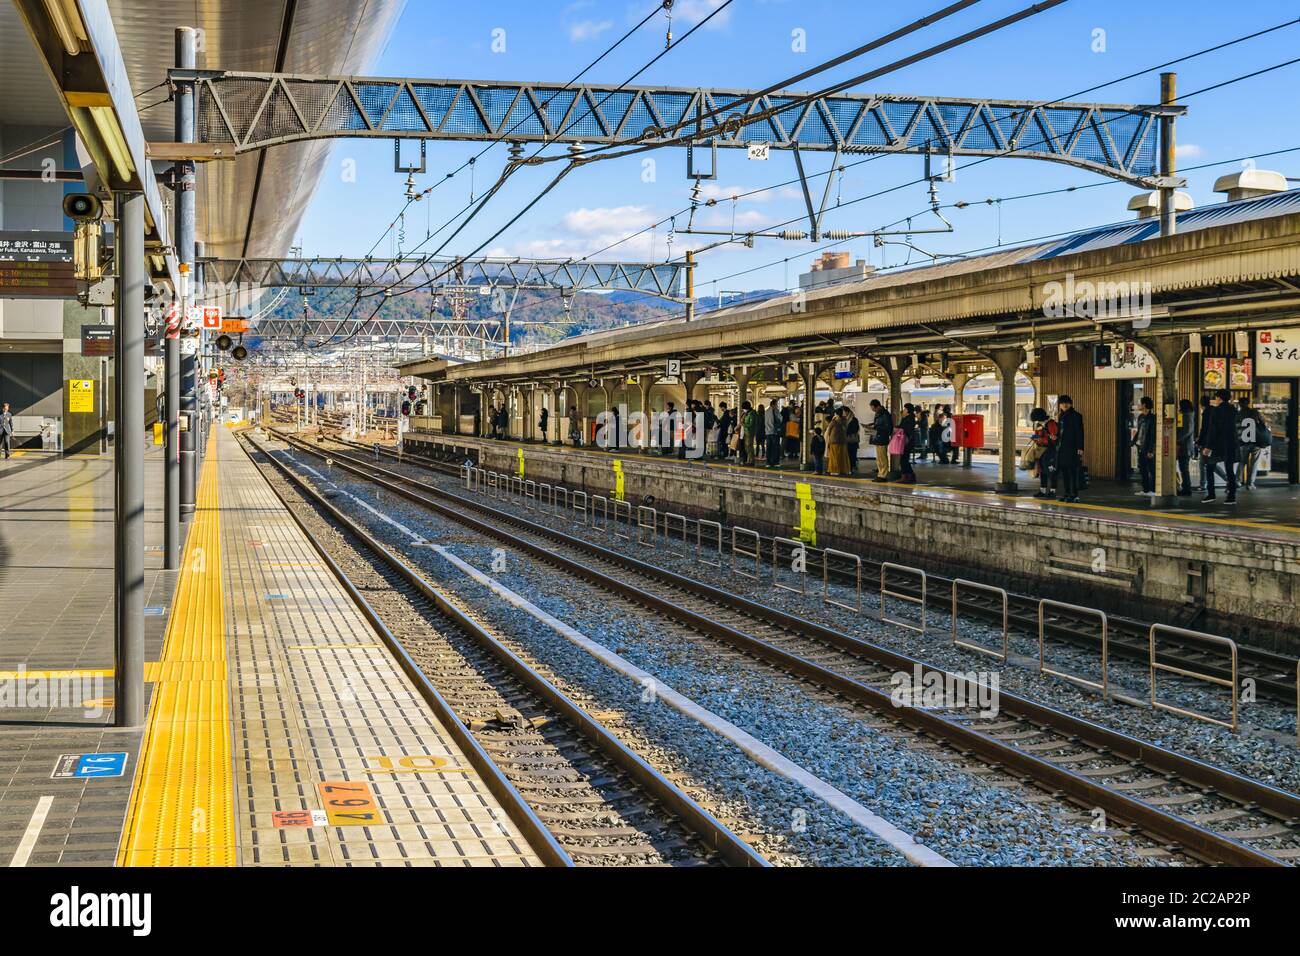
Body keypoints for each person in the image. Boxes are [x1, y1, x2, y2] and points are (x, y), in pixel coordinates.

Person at [1202, 389, 1239, 504]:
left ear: (1219, 398)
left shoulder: (1216, 411)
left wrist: (1208, 446)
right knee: (1229, 470)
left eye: (1216, 397)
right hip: (1231, 443)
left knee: (1209, 467)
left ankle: (1211, 494)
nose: (1215, 400)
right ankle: (1231, 496)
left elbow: (1213, 430)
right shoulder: (1234, 410)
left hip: (1218, 444)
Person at [1056, 395, 1085, 502]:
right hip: (1062, 449)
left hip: (1073, 448)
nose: (1064, 405)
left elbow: (1080, 432)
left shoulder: (1076, 416)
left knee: (1072, 472)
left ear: (1071, 404)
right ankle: (1067, 493)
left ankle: (1074, 494)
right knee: (1064, 472)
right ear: (1060, 405)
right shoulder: (1061, 416)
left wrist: (1080, 447)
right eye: (1062, 403)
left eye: (1067, 403)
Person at [1236, 395, 1268, 490]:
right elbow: (1263, 423)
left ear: (1240, 404)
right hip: (1256, 441)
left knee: (1242, 462)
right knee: (1254, 463)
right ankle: (1250, 484)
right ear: (1248, 403)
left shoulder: (1238, 414)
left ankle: (1237, 481)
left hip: (1243, 441)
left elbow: (1234, 427)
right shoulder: (1255, 412)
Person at [1030, 408, 1060, 499]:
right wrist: (1035, 438)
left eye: (1037, 419)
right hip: (1041, 450)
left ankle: (1052, 491)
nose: (1037, 421)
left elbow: (1054, 438)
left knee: (1051, 471)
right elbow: (1038, 435)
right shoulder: (1039, 424)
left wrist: (1041, 439)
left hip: (1050, 450)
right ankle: (1042, 490)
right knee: (1042, 470)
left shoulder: (1050, 424)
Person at [1132, 395, 1156, 496]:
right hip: (1140, 445)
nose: (1138, 405)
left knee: (1151, 468)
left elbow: (1153, 435)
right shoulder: (1141, 417)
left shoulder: (1152, 418)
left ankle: (1152, 489)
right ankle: (1145, 489)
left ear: (1144, 405)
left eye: (1140, 403)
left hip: (1148, 446)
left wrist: (1151, 450)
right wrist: (1133, 441)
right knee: (1142, 468)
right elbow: (1139, 431)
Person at [868, 399, 892, 481]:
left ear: (877, 406)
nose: (873, 410)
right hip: (878, 437)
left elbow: (888, 427)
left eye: (873, 408)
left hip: (882, 438)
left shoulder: (885, 414)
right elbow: (879, 424)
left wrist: (875, 427)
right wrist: (872, 425)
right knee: (879, 457)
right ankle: (880, 474)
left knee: (882, 457)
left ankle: (883, 475)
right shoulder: (879, 413)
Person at [1175, 398, 1195, 496]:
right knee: (1183, 468)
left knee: (1184, 468)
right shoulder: (1186, 415)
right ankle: (1185, 487)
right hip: (1184, 446)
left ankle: (1187, 489)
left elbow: (1187, 431)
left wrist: (1177, 439)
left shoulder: (1187, 416)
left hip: (1184, 447)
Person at [825, 410, 849, 476]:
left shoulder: (834, 422)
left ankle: (835, 470)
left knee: (834, 456)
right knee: (843, 456)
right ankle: (843, 470)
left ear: (836, 414)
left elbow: (829, 430)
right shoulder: (845, 421)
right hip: (843, 441)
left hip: (834, 441)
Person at [898, 403, 917, 483]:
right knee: (904, 459)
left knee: (904, 459)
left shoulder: (909, 419)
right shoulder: (907, 418)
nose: (903, 410)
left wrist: (899, 429)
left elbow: (906, 429)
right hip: (906, 441)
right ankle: (907, 476)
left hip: (907, 441)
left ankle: (908, 476)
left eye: (905, 409)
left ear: (908, 410)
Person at [843, 406, 861, 475]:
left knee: (852, 454)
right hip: (847, 439)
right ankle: (848, 467)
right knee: (848, 454)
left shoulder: (853, 419)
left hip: (852, 440)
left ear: (847, 412)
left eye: (843, 411)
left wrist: (846, 431)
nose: (843, 413)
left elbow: (855, 429)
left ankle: (852, 467)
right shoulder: (845, 419)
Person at [765, 401, 782, 467]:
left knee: (769, 447)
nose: (777, 406)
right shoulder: (776, 411)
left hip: (768, 432)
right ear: (773, 405)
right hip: (774, 432)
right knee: (775, 447)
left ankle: (768, 462)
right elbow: (780, 419)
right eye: (776, 404)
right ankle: (775, 462)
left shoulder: (766, 412)